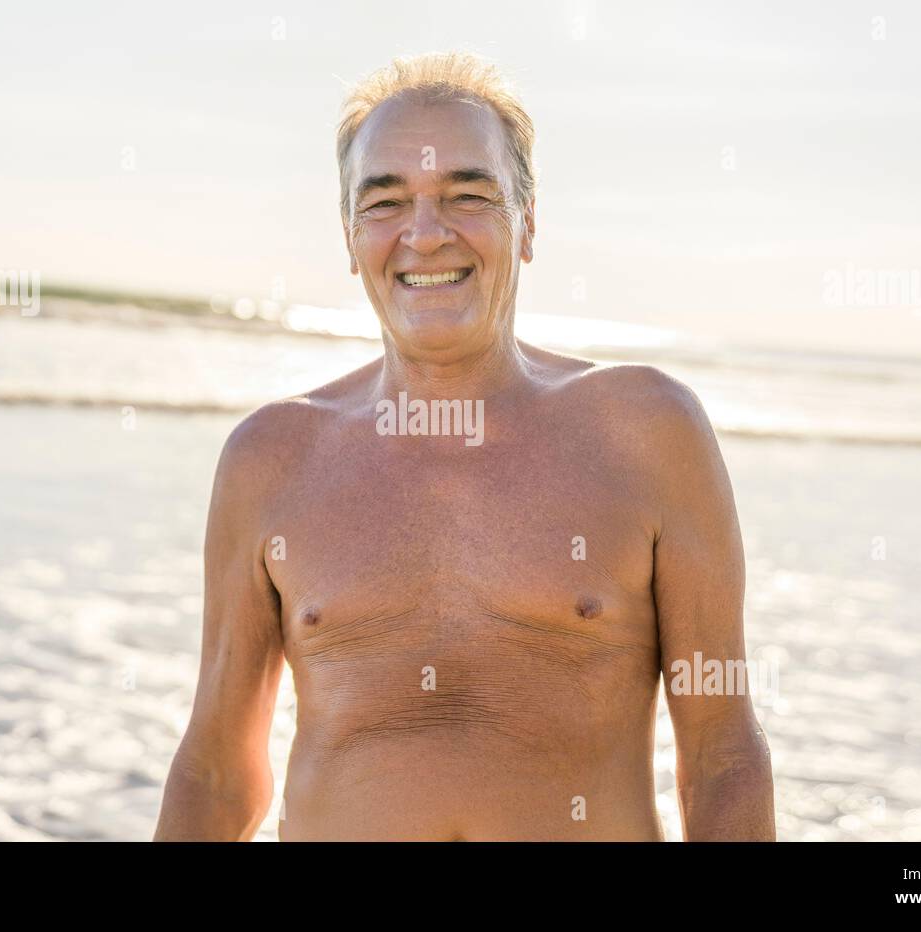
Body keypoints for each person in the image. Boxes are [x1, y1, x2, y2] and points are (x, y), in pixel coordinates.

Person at [155, 51, 774, 841]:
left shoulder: (646, 431)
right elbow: (214, 772)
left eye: (467, 193)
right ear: (350, 238)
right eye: (385, 202)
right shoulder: (271, 457)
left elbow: (722, 757)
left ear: (528, 222)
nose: (425, 233)